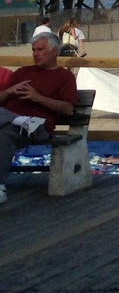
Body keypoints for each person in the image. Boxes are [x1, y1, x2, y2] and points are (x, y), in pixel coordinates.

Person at [0, 30, 79, 204]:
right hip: (10, 122)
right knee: (7, 127)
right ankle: (17, 119)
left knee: (4, 135)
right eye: (34, 50)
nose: (36, 54)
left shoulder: (64, 77)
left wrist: (38, 98)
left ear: (54, 51)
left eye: (40, 50)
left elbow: (67, 109)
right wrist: (8, 92)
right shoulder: (22, 73)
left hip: (38, 127)